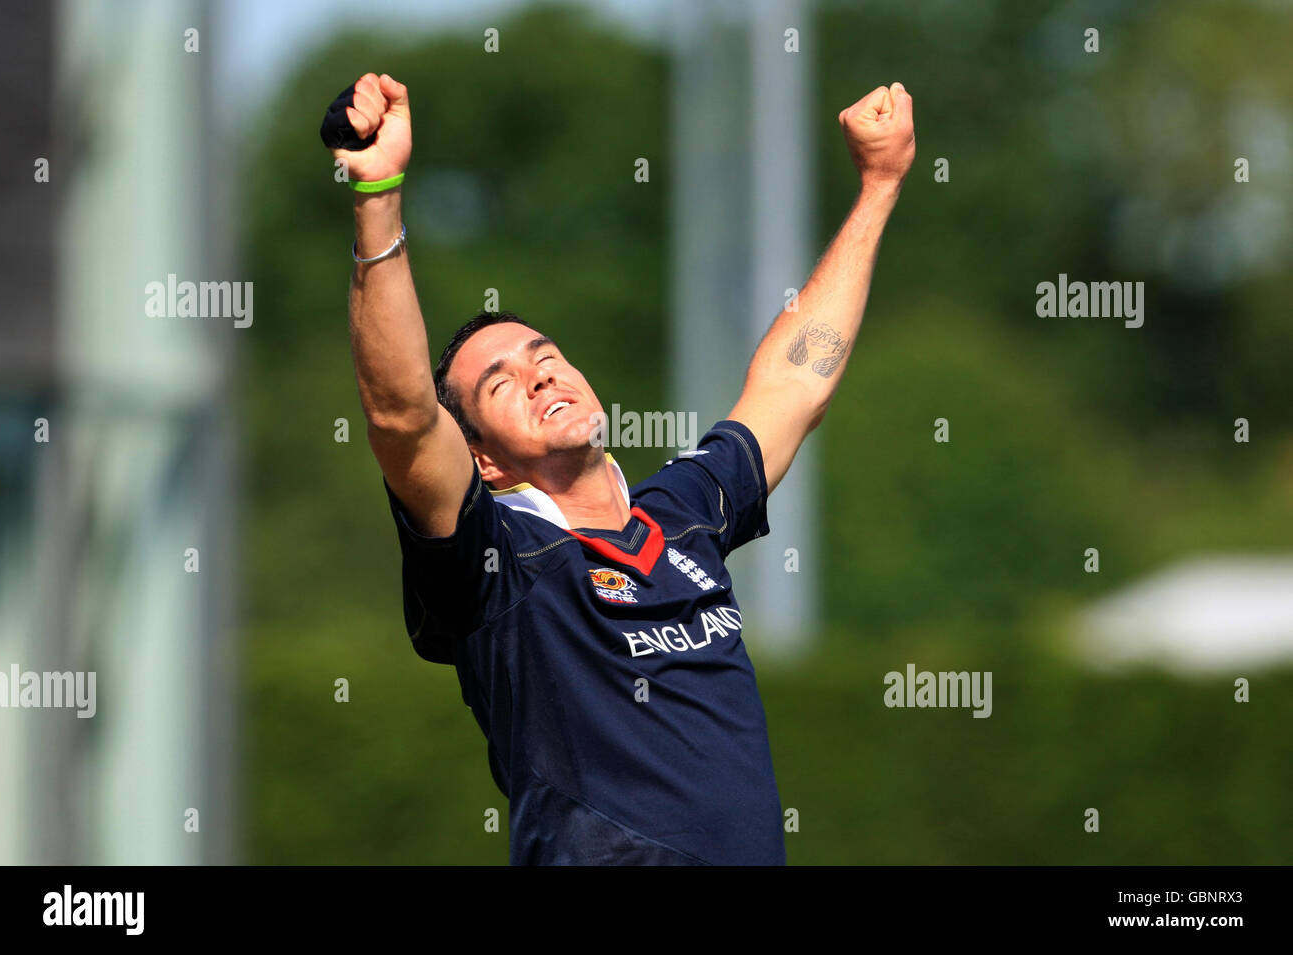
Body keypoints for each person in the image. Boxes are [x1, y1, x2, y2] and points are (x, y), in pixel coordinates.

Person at [322, 71, 915, 864]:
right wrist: (378, 193)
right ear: (479, 457)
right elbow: (399, 413)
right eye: (500, 383)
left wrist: (878, 184)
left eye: (547, 356)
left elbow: (794, 382)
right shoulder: (495, 559)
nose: (539, 375)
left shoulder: (682, 513)